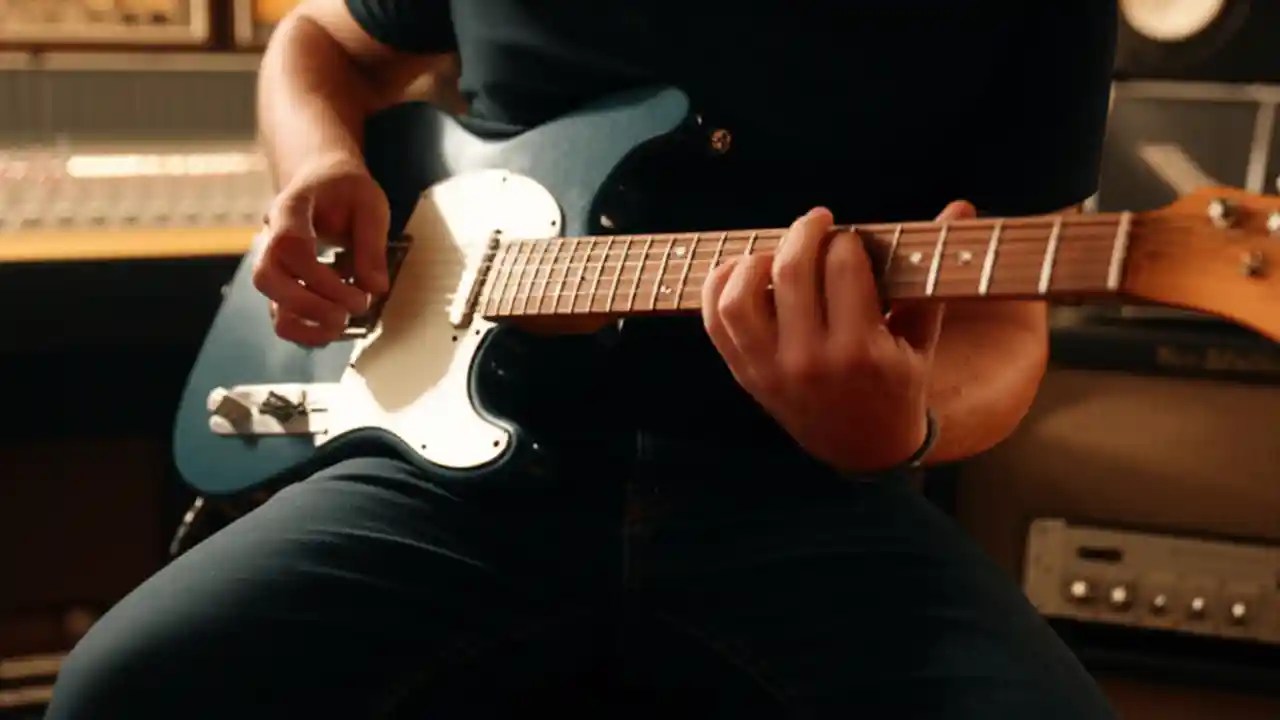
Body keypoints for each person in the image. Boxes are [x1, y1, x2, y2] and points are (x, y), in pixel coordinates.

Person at [48, 1, 1120, 717]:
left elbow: (1004, 333)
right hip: (450, 482)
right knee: (123, 690)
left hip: (800, 497)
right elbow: (317, 44)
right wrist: (321, 167)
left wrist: (903, 424)